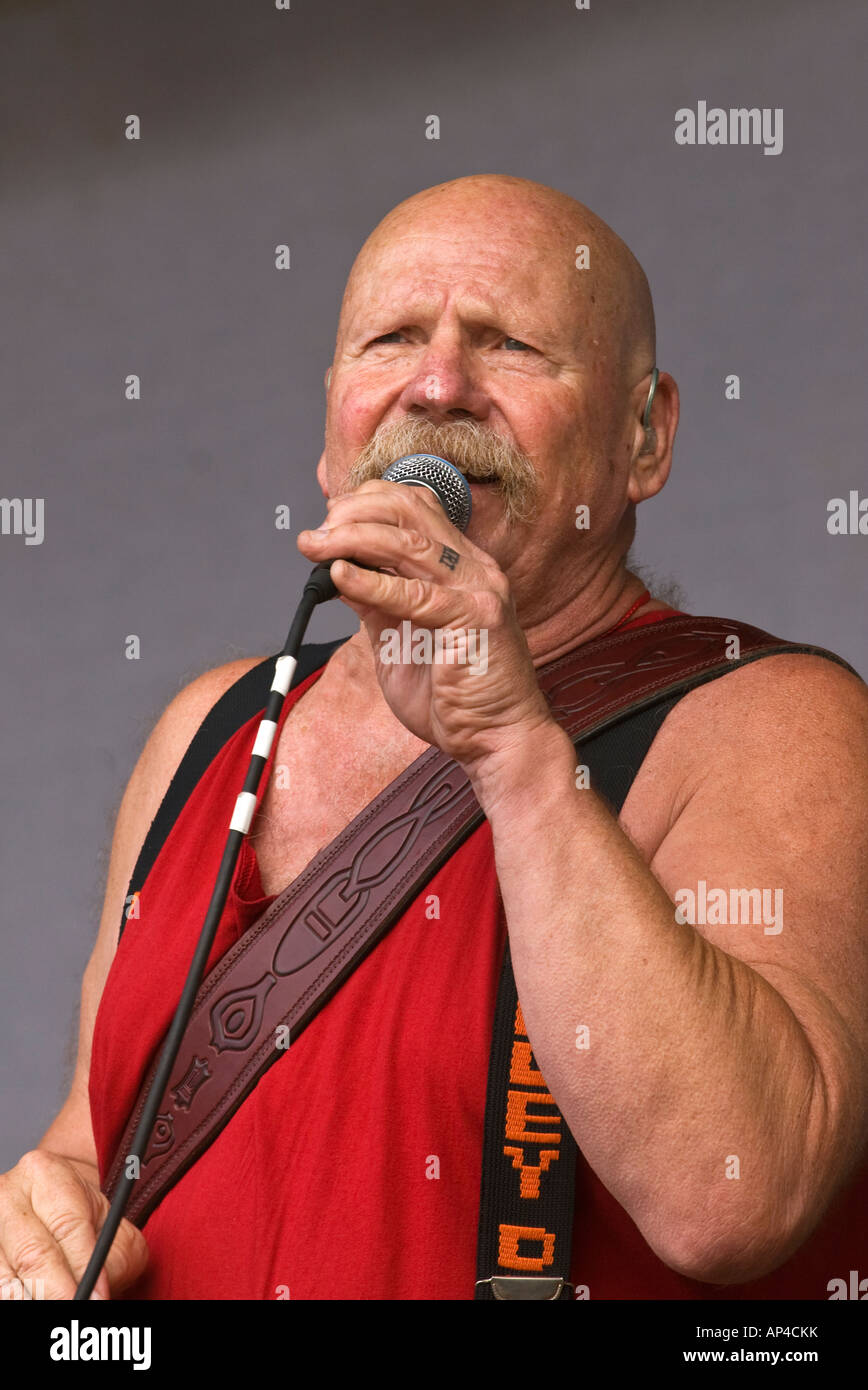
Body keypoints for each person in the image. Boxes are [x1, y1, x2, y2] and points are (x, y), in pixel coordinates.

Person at [2, 175, 866, 1301]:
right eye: (391, 340)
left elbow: (729, 1197)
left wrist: (516, 754)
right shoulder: (207, 728)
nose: (437, 383)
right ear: (332, 429)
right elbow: (96, 1138)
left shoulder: (768, 718)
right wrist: (40, 1213)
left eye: (509, 344)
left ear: (644, 436)